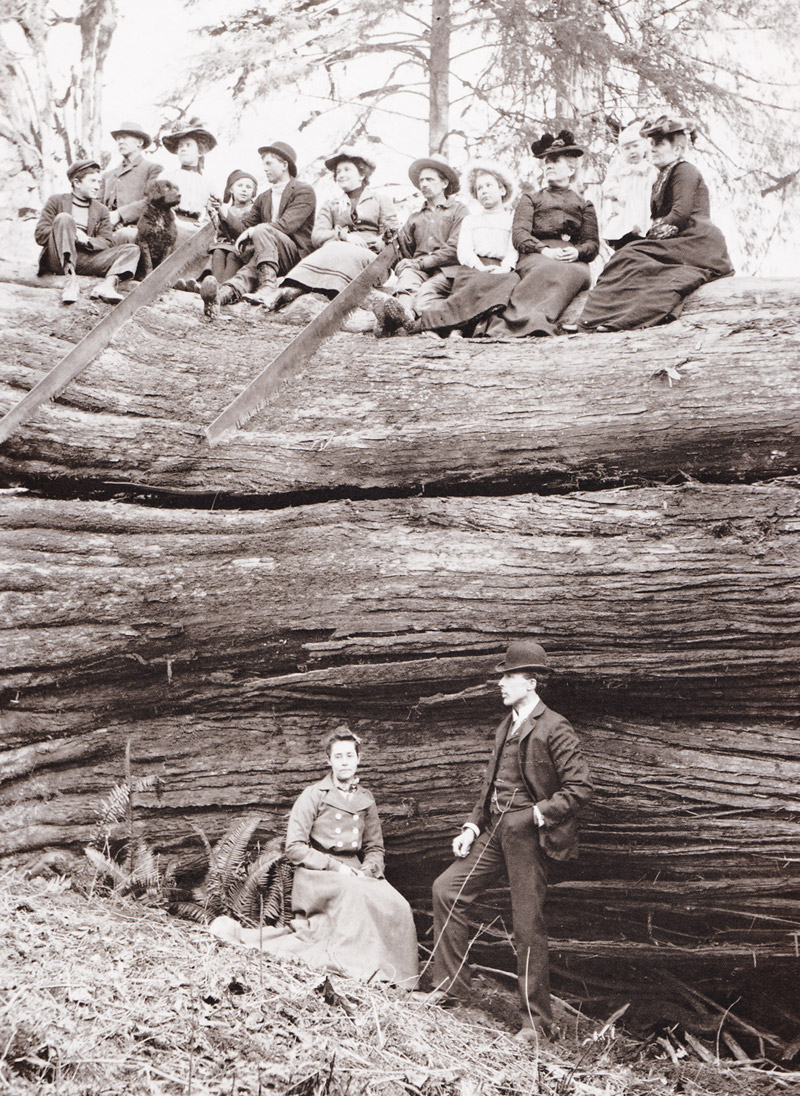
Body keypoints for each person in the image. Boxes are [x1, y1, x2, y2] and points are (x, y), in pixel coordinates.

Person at [420, 640, 593, 1042]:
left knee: (527, 924)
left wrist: (537, 814)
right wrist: (470, 827)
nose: (500, 683)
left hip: (528, 836)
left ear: (531, 682)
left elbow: (581, 787)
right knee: (446, 890)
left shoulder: (554, 726)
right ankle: (450, 989)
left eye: (508, 676)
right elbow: (490, 785)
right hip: (495, 831)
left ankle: (535, 1023)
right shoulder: (507, 725)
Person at [210, 729, 419, 989]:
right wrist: (335, 867)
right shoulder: (314, 794)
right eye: (338, 756)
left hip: (356, 871)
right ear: (328, 760)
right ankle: (361, 970)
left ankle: (400, 979)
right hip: (319, 872)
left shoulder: (365, 799)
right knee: (353, 894)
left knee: (397, 904)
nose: (344, 761)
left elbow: (375, 847)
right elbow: (295, 848)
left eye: (349, 756)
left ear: (358, 760)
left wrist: (369, 868)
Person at [579, 116, 734, 331]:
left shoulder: (684, 170)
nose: (652, 149)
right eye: (650, 143)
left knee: (632, 255)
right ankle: (601, 319)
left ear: (678, 149)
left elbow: (679, 215)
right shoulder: (661, 175)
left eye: (659, 143)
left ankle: (626, 319)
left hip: (698, 240)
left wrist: (648, 238)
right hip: (681, 240)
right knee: (627, 256)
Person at [484, 130, 599, 338]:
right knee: (547, 267)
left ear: (571, 168)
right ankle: (520, 322)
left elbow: (592, 244)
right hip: (537, 255)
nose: (549, 165)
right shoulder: (531, 198)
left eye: (555, 161)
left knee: (574, 272)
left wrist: (577, 252)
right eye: (546, 162)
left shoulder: (584, 204)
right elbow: (519, 234)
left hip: (572, 259)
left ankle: (540, 319)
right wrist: (544, 250)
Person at [400, 160, 520, 337]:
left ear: (502, 190)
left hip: (496, 267)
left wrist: (504, 267)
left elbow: (513, 249)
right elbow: (464, 250)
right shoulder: (471, 220)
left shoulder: (511, 220)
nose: (484, 191)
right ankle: (427, 324)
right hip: (474, 266)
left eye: (488, 186)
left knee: (504, 284)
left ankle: (459, 328)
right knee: (458, 290)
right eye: (480, 188)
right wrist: (479, 266)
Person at [270, 147, 399, 310]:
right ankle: (290, 288)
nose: (341, 175)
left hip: (370, 260)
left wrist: (380, 241)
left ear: (362, 174)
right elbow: (317, 236)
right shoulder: (331, 204)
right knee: (334, 248)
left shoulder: (381, 200)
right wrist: (344, 236)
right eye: (338, 171)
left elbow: (392, 236)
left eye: (347, 170)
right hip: (335, 254)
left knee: (338, 250)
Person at [199, 140, 316, 312]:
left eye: (269, 163)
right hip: (266, 254)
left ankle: (268, 286)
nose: (265, 168)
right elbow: (242, 228)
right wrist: (223, 212)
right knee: (246, 273)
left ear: (284, 165)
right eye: (263, 164)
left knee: (262, 230)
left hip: (293, 256)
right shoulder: (264, 197)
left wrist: (254, 230)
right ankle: (218, 299)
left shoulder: (303, 191)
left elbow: (287, 225)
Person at [372, 153, 467, 337]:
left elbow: (455, 248)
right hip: (418, 270)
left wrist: (420, 263)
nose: (424, 184)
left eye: (430, 179)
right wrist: (391, 242)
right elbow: (404, 254)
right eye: (421, 180)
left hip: (447, 271)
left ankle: (415, 324)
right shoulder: (415, 217)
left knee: (427, 291)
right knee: (406, 283)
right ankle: (402, 316)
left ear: (444, 184)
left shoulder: (459, 211)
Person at [35, 158, 141, 305]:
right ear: (77, 183)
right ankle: (70, 282)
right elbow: (40, 235)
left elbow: (107, 241)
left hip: (86, 258)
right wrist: (70, 231)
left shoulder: (101, 210)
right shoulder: (56, 201)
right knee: (64, 218)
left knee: (132, 249)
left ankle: (108, 286)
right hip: (58, 258)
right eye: (92, 181)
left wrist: (87, 240)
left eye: (99, 182)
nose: (97, 187)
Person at [100, 121, 164, 244]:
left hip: (137, 232)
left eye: (125, 137)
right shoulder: (107, 175)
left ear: (140, 142)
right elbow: (96, 205)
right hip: (106, 232)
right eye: (118, 139)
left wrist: (119, 215)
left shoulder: (153, 169)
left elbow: (152, 202)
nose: (120, 141)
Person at [160, 118, 218, 243]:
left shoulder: (207, 182)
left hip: (197, 227)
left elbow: (212, 212)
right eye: (180, 146)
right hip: (172, 223)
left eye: (188, 145)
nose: (183, 149)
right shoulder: (169, 177)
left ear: (199, 152)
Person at [600, 121, 657, 249]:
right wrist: (618, 192)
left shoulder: (649, 167)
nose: (632, 151)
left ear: (644, 147)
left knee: (645, 234)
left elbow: (656, 183)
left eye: (636, 146)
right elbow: (608, 185)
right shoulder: (619, 167)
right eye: (627, 148)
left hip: (644, 207)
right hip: (625, 208)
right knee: (624, 235)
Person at [207, 169, 258, 282]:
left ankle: (225, 286)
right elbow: (220, 232)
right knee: (218, 252)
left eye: (248, 187)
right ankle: (214, 284)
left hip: (245, 246)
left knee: (232, 255)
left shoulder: (254, 210)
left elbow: (242, 230)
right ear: (231, 189)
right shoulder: (228, 209)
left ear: (253, 192)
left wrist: (224, 213)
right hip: (225, 245)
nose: (244, 189)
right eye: (240, 185)